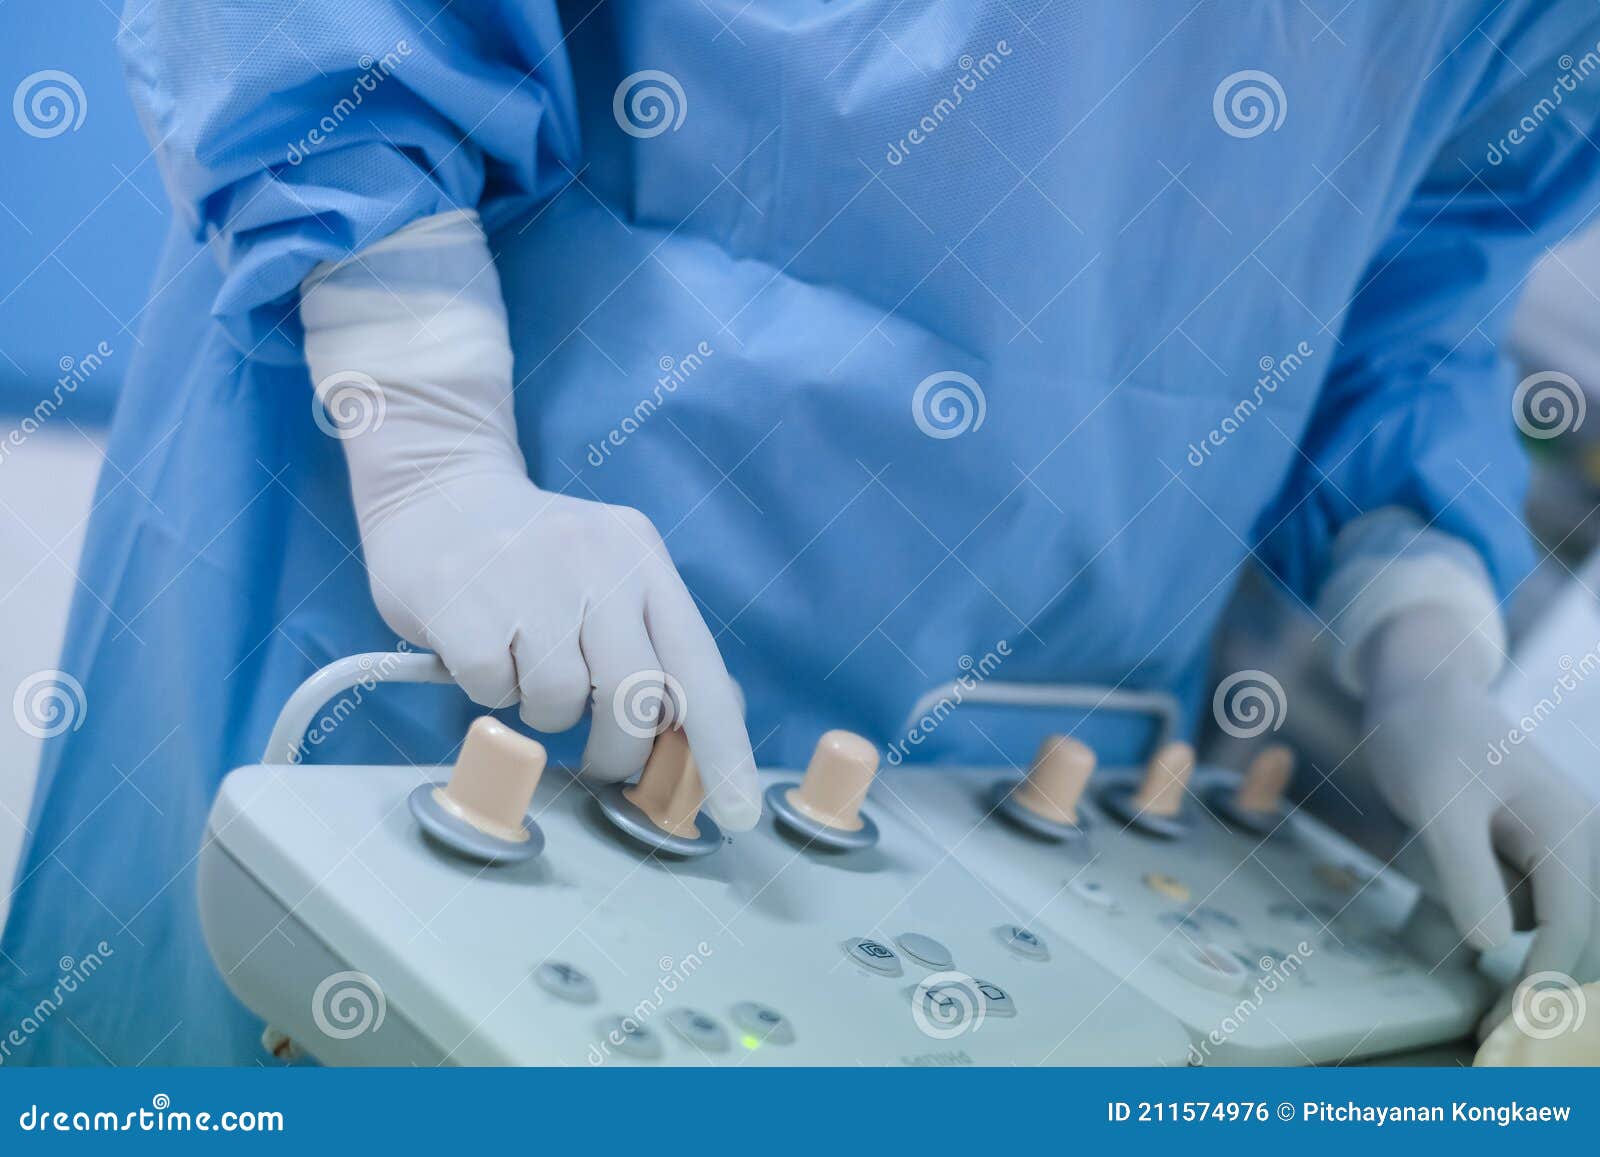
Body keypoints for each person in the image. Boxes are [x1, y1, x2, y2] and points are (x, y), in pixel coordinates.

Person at [3, 0, 1598, 1064]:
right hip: (475, 591)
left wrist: (1423, 626)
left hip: (1047, 713)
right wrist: (428, 432)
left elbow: (1414, 255)